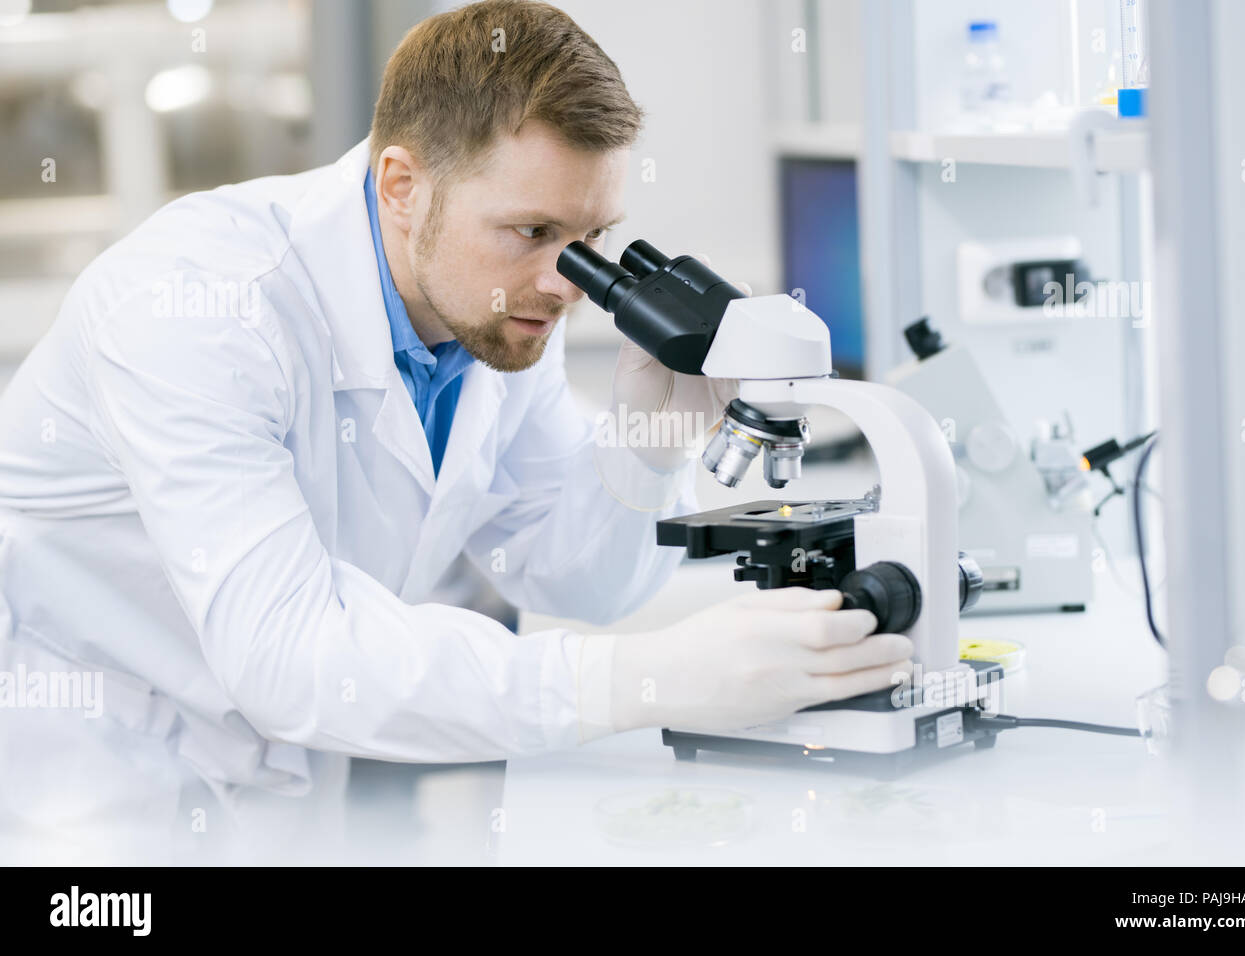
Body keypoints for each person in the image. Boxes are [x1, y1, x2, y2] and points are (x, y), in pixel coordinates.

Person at [0, 0, 911, 863]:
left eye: (593, 239)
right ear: (402, 185)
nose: (567, 284)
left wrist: (647, 444)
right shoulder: (196, 305)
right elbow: (287, 652)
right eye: (531, 229)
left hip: (286, 773)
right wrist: (640, 679)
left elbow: (580, 579)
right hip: (92, 777)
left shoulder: (492, 310)